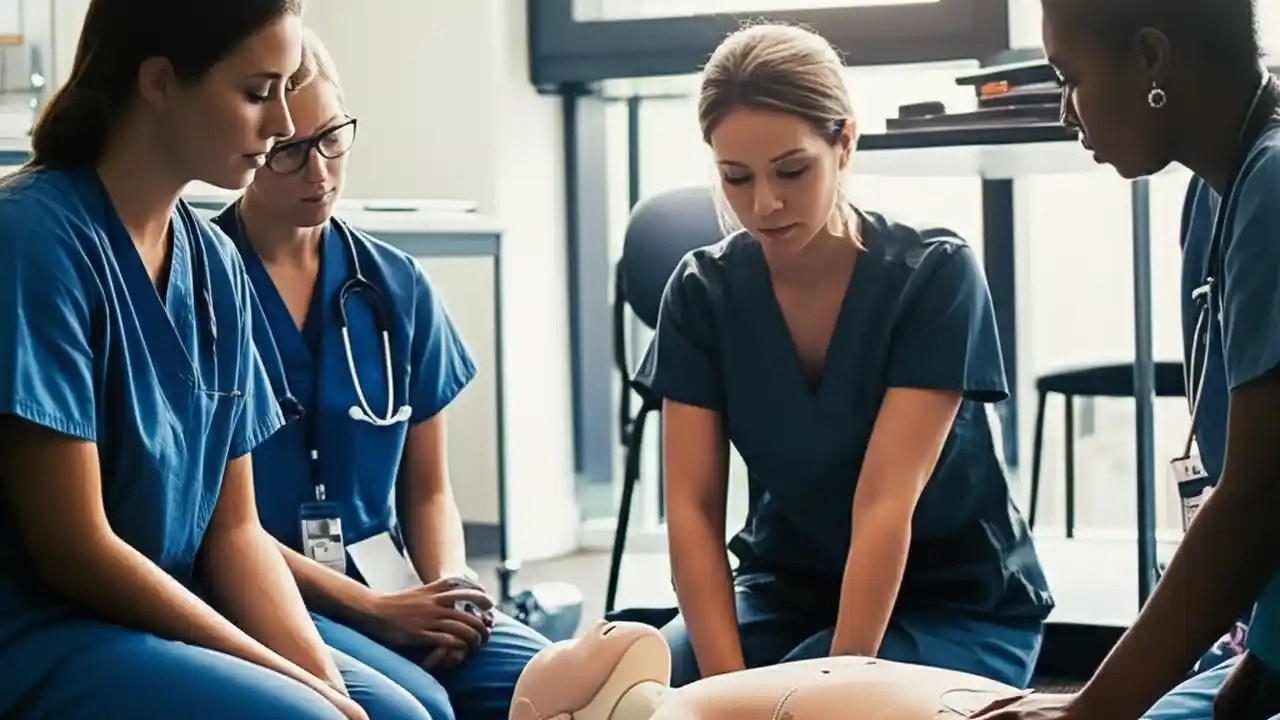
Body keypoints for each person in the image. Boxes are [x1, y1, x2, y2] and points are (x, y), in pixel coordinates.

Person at [0, 2, 448, 719]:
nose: (279, 127)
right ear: (158, 82)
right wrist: (296, 687)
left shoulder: (213, 262)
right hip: (50, 627)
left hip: (170, 608)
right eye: (257, 92)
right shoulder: (34, 240)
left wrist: (325, 685)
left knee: (408, 712)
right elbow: (75, 549)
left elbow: (234, 532)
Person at [631, 22, 1054, 692]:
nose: (764, 204)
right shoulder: (700, 291)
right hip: (781, 589)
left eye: (792, 171)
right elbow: (692, 507)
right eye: (735, 178)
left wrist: (832, 686)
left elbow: (885, 504)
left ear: (844, 142)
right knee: (642, 693)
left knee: (802, 704)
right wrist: (718, 692)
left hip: (951, 600)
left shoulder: (935, 276)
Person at [208, 28, 550, 720]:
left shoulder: (396, 287)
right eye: (291, 151)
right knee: (419, 707)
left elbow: (428, 491)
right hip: (266, 590)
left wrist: (450, 589)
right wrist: (376, 610)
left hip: (391, 580)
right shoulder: (198, 286)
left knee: (560, 685)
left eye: (332, 137)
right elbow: (213, 525)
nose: (320, 171)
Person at [972, 1, 1280, 719]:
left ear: (1150, 59)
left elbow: (1258, 502)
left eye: (1068, 77)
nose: (1063, 113)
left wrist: (1091, 713)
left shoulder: (1272, 187)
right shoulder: (1216, 198)